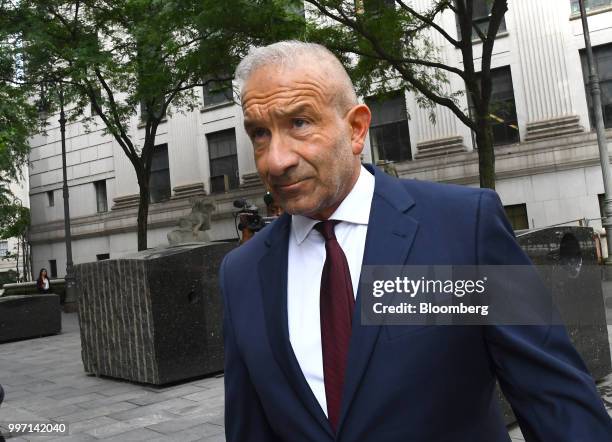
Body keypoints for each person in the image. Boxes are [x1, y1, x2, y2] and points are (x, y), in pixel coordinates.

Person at [220, 41, 612, 441]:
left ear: (355, 128)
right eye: (259, 134)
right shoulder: (242, 272)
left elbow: (555, 399)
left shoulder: (462, 229)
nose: (275, 160)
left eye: (299, 123)